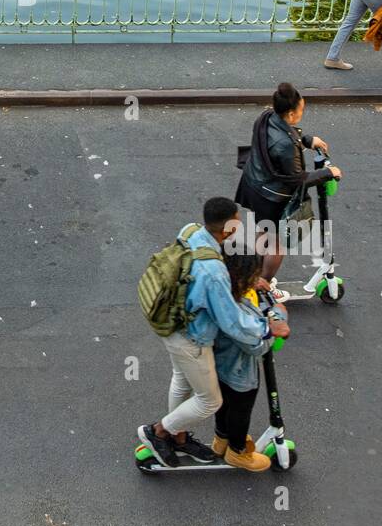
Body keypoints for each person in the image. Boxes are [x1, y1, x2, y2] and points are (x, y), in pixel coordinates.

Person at [137, 197, 290, 469]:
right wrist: (269, 327)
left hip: (171, 320)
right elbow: (233, 323)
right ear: (229, 226)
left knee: (182, 382)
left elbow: (210, 268)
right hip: (191, 337)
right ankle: (159, 431)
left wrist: (247, 278)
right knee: (210, 401)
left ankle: (179, 437)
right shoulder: (214, 272)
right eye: (237, 221)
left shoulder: (192, 231)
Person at [235, 82, 340, 281]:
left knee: (264, 230)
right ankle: (264, 285)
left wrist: (307, 140)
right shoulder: (285, 146)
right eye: (301, 110)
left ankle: (254, 274)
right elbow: (296, 179)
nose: (302, 113)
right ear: (291, 114)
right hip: (271, 196)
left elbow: (285, 135)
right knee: (277, 245)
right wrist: (328, 172)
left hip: (255, 185)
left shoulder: (266, 116)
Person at [212, 251, 288, 469]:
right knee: (240, 410)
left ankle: (221, 440)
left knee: (224, 405)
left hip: (220, 364)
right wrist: (279, 318)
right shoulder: (239, 311)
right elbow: (255, 346)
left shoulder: (225, 293)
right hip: (240, 371)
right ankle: (237, 452)